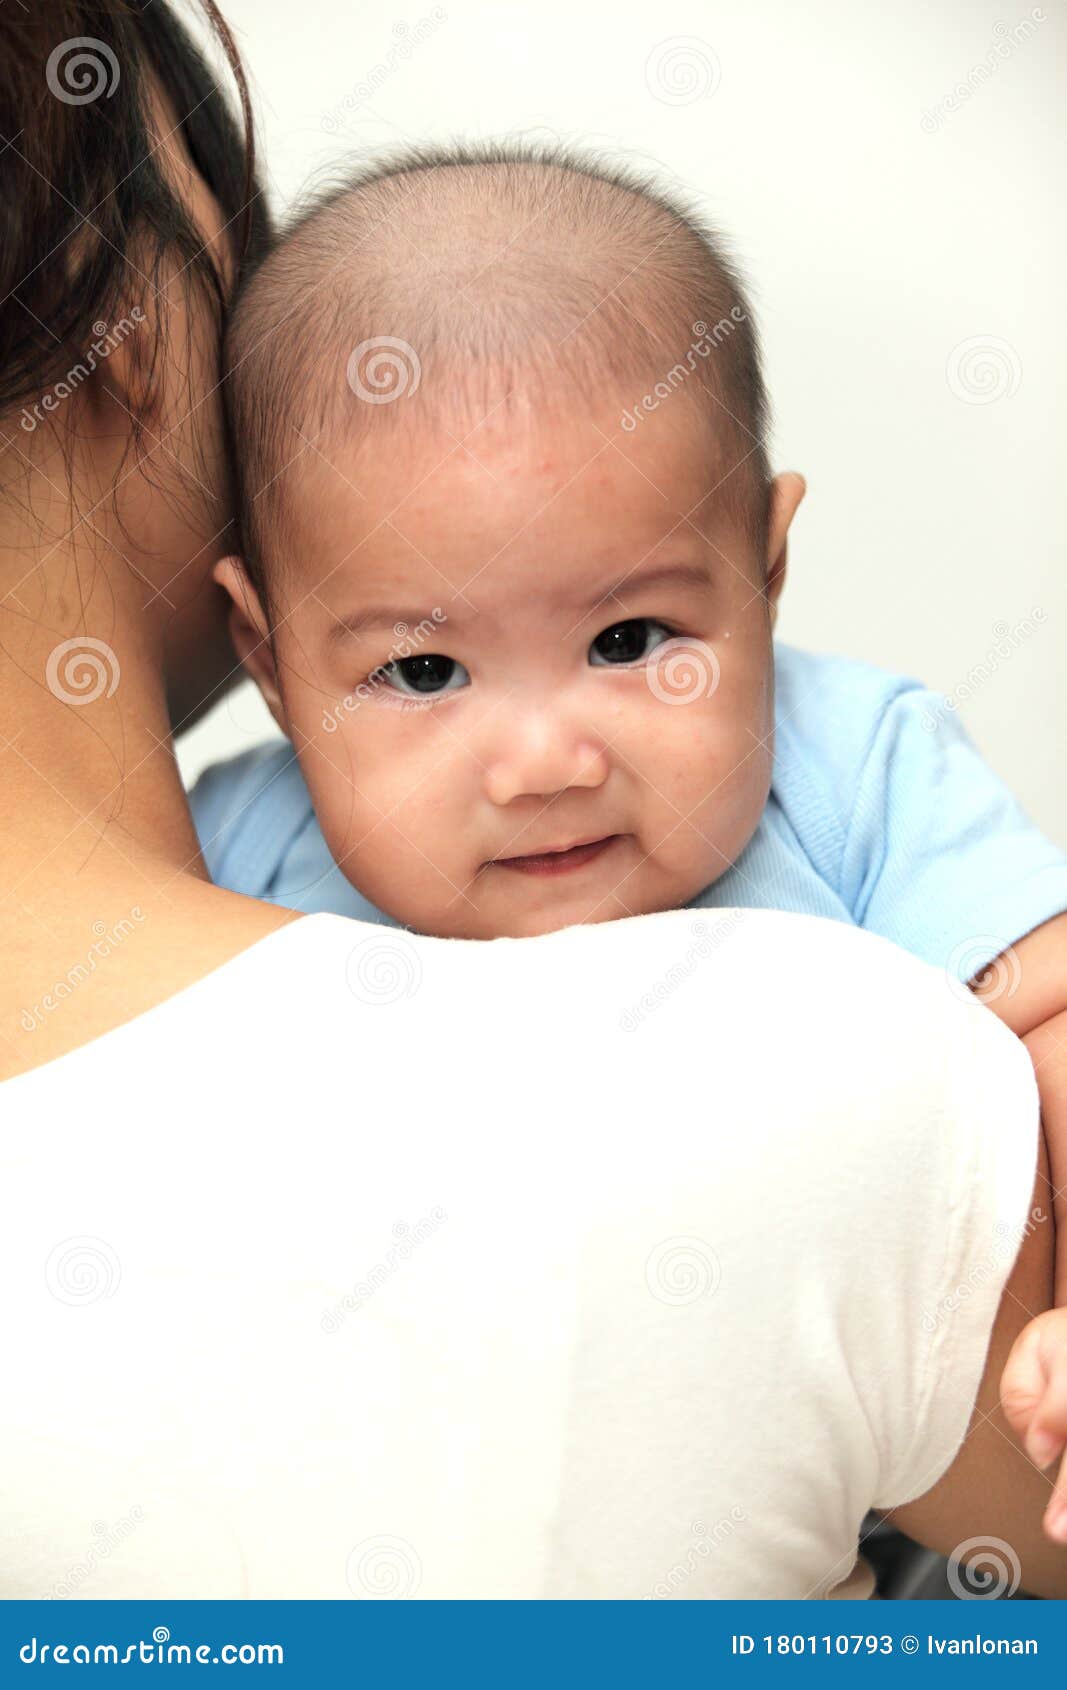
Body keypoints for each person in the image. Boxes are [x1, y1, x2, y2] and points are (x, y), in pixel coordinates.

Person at [0, 0, 1064, 1600]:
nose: (548, 757)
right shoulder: (257, 836)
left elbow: (1045, 1004)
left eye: (634, 641)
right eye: (424, 674)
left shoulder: (854, 762)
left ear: (769, 571)